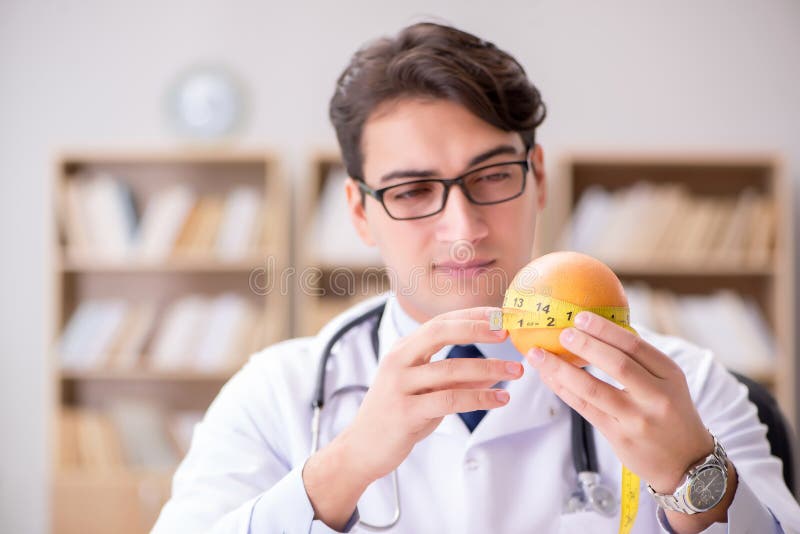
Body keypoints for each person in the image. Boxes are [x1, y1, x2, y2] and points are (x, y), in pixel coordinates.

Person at [152, 22, 800, 533]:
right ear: (359, 211)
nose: (463, 229)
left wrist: (694, 478)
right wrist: (347, 466)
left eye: (492, 176)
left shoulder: (688, 387)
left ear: (538, 177)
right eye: (411, 190)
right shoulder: (275, 395)